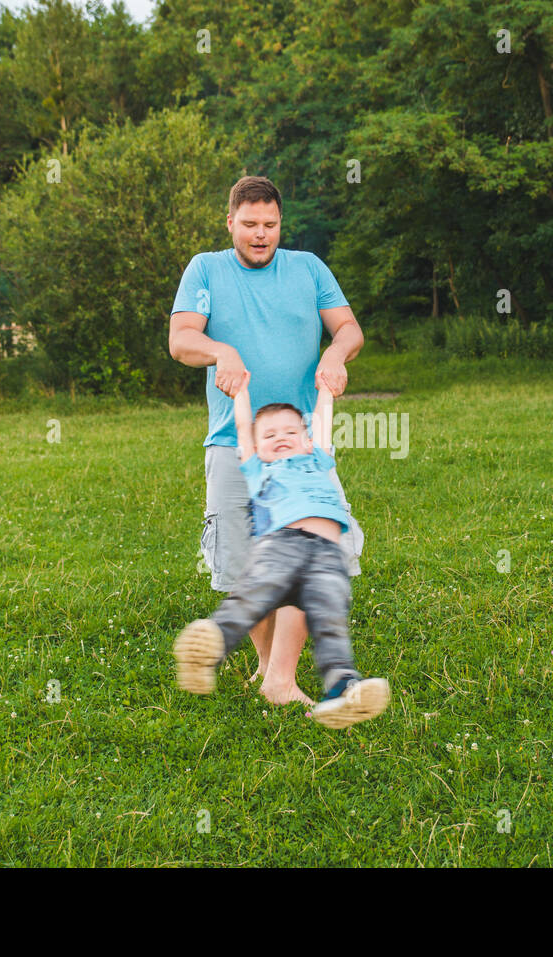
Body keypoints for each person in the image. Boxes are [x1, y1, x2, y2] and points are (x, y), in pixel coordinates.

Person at [168, 176, 365, 705]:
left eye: (270, 225)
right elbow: (181, 339)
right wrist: (220, 351)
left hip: (300, 446)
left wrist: (335, 353)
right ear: (230, 221)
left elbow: (348, 329)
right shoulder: (205, 269)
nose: (261, 235)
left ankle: (283, 675)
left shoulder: (308, 268)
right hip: (233, 441)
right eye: (250, 225)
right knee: (243, 564)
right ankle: (267, 668)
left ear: (282, 223)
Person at [172, 374, 389, 728]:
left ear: (306, 440)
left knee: (331, 626)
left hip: (326, 561)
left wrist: (326, 390)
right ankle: (208, 648)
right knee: (252, 598)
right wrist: (240, 392)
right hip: (283, 548)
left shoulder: (318, 458)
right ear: (254, 448)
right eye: (269, 435)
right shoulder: (258, 468)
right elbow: (244, 426)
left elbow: (321, 419)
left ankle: (343, 693)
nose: (281, 438)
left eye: (290, 432)